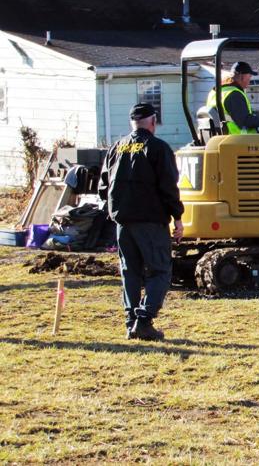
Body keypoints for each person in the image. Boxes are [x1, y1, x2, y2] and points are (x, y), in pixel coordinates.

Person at [99, 103, 184, 341]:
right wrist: (177, 217)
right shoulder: (158, 148)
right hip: (150, 222)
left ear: (132, 123)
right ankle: (144, 321)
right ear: (153, 122)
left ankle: (131, 322)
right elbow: (168, 187)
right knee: (160, 270)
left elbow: (103, 186)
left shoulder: (117, 147)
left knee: (130, 272)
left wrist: (114, 211)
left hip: (122, 222)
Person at [207, 61, 259, 135]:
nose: (250, 78)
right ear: (241, 76)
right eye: (249, 75)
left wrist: (257, 116)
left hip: (221, 137)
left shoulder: (215, 92)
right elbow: (244, 121)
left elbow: (237, 113)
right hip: (237, 138)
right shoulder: (234, 95)